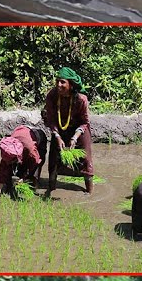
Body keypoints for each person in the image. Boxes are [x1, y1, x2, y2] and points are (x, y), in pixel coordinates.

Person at [40, 66, 93, 196]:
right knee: (53, 156)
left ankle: (89, 190)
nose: (59, 85)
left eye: (63, 82)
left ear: (71, 84)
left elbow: (84, 122)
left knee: (85, 158)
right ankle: (51, 188)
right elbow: (51, 119)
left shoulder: (81, 99)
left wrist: (75, 137)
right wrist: (57, 136)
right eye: (57, 81)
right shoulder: (52, 96)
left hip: (79, 130)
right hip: (59, 129)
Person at [0, 125, 46, 202]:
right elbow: (0, 180)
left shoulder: (30, 150)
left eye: (12, 160)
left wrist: (24, 178)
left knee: (33, 169)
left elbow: (35, 163)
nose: (10, 162)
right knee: (7, 171)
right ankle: (9, 188)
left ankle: (33, 185)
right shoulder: (7, 153)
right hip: (20, 132)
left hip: (37, 135)